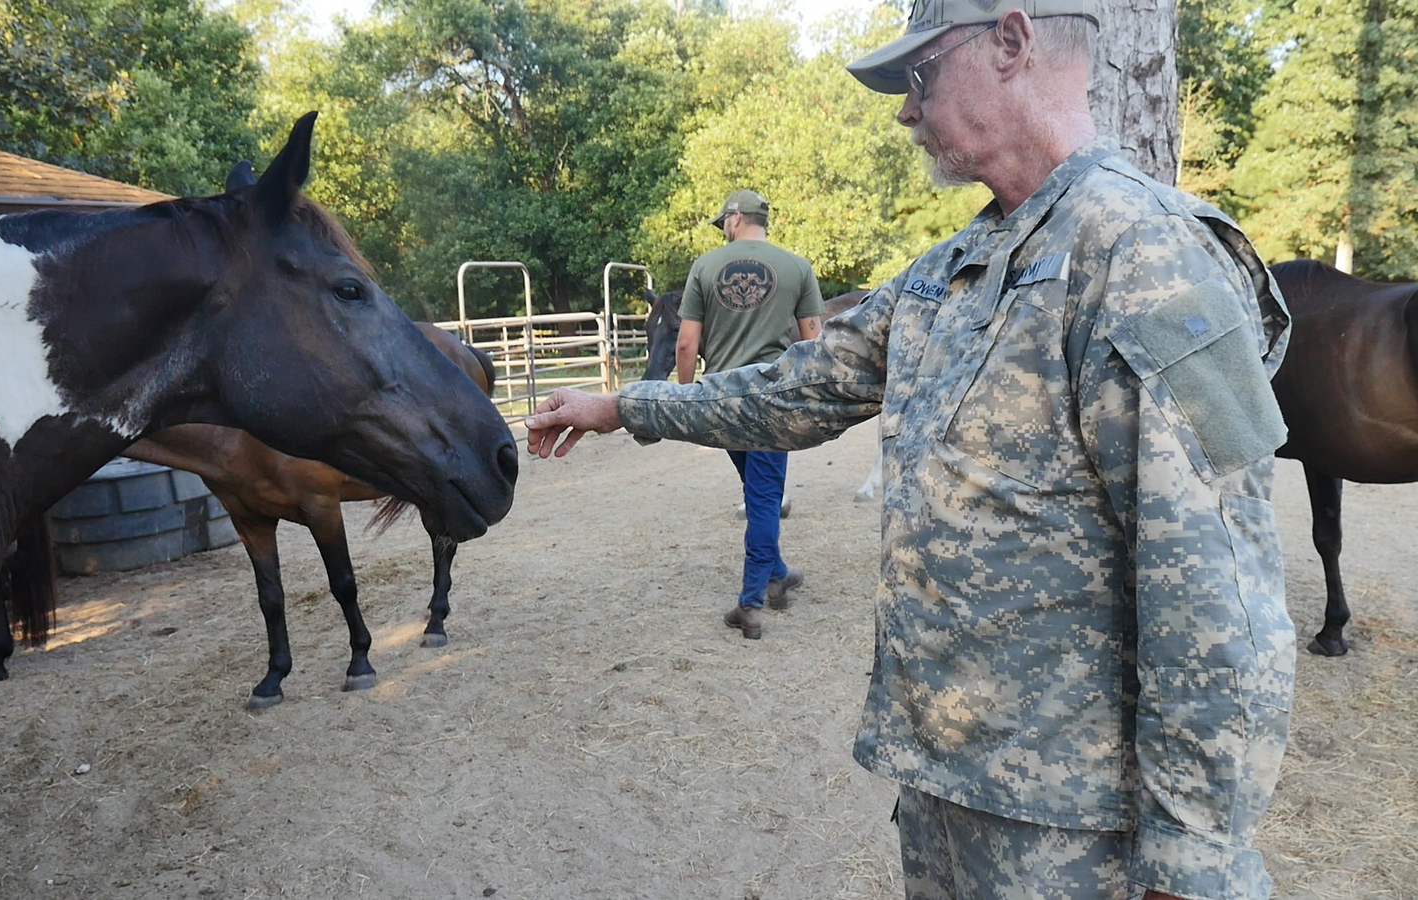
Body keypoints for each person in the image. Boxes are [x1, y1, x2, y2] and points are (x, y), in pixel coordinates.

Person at [523, 1, 1294, 898]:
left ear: (1011, 42)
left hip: (1079, 830)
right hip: (949, 786)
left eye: (919, 77)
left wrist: (1192, 860)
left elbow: (1217, 590)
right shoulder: (959, 264)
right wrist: (623, 404)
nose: (904, 110)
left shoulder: (1146, 251)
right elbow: (799, 385)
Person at [678, 189, 824, 640]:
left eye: (724, 219)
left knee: (757, 489)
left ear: (736, 217)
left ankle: (769, 582)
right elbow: (814, 344)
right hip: (772, 399)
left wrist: (686, 401)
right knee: (763, 494)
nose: (723, 226)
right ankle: (754, 600)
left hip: (722, 401)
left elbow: (686, 344)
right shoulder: (797, 268)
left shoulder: (704, 267)